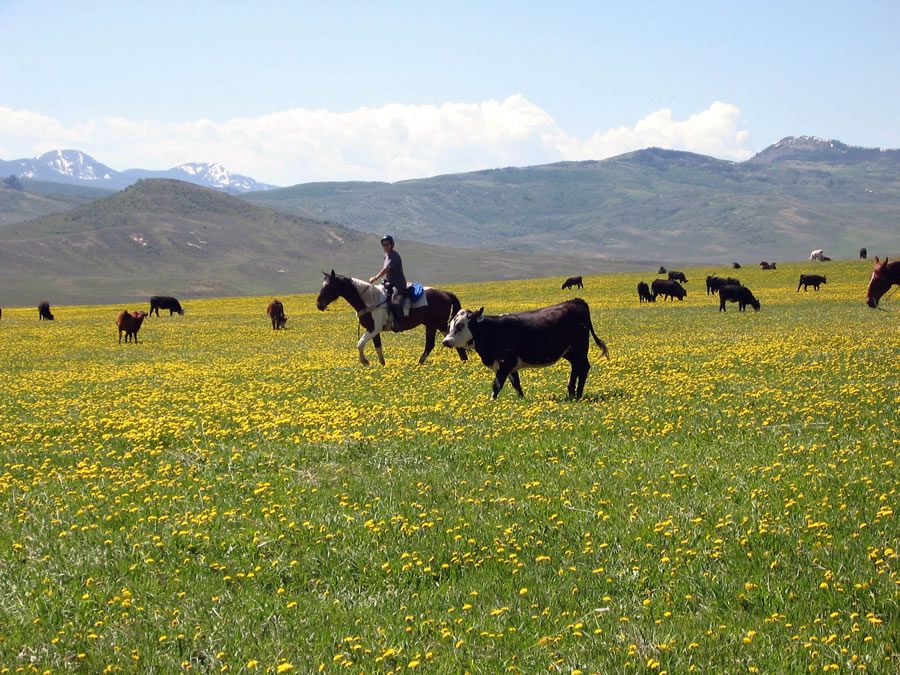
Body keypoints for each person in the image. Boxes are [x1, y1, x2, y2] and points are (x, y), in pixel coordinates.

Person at [369, 235, 407, 330]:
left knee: (395, 300)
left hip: (398, 284)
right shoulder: (386, 255)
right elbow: (384, 268)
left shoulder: (394, 255)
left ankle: (400, 323)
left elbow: (386, 269)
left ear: (392, 244)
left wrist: (375, 277)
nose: (385, 246)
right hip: (389, 283)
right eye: (383, 245)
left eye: (387, 244)